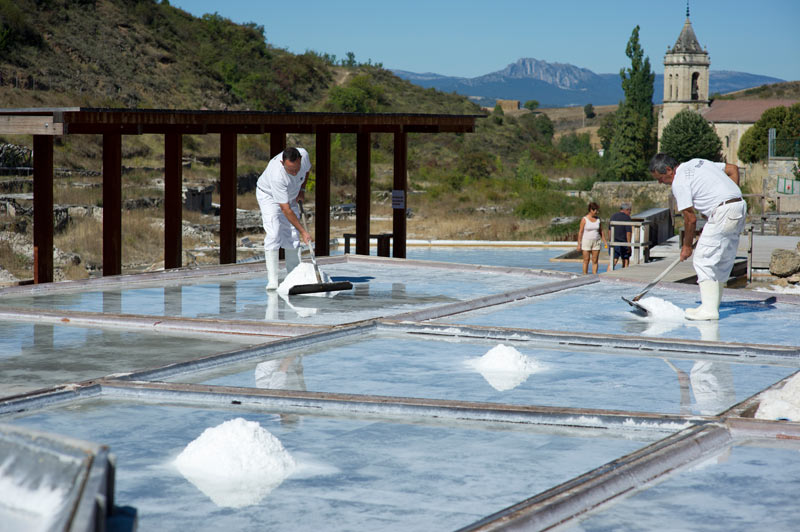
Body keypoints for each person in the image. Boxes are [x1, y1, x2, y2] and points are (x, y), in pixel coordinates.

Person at [649, 153, 746, 320]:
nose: (660, 182)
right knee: (720, 261)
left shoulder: (678, 182)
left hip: (723, 211)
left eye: (660, 178)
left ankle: (709, 311)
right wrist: (728, 198)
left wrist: (686, 246)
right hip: (739, 206)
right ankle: (710, 307)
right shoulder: (697, 163)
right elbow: (733, 169)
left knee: (702, 260)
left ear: (668, 170)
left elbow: (690, 218)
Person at [256, 147, 313, 290]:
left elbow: (306, 172)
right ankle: (273, 280)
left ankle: (293, 277)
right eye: (290, 170)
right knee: (274, 233)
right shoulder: (277, 174)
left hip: (291, 195)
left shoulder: (304, 155)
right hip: (268, 196)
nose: (294, 173)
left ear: (300, 159)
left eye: (296, 169)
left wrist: (302, 189)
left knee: (292, 236)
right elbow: (285, 210)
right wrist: (304, 232)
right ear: (282, 163)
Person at [577, 202, 608, 274]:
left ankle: (594, 275)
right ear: (591, 210)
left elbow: (601, 231)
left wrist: (605, 242)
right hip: (586, 241)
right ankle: (585, 275)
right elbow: (580, 232)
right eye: (595, 210)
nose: (597, 212)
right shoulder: (584, 219)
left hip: (596, 241)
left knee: (595, 260)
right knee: (586, 259)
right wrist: (579, 244)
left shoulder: (598, 219)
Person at [608, 202, 633, 271]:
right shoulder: (627, 218)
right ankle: (625, 276)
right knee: (625, 261)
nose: (630, 212)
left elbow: (609, 230)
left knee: (613, 261)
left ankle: (606, 275)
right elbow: (628, 232)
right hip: (624, 243)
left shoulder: (613, 216)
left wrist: (610, 241)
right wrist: (629, 245)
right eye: (629, 210)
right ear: (626, 210)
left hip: (614, 242)